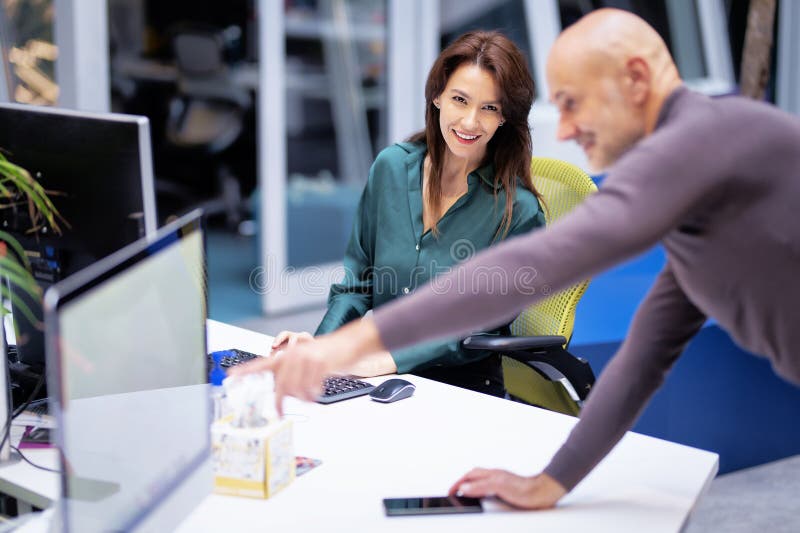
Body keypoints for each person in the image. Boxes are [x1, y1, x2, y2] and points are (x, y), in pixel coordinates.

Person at [232, 8, 800, 509]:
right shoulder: (702, 180)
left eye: (574, 104)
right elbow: (647, 352)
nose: (569, 128)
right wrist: (553, 481)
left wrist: (345, 346)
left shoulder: (698, 144)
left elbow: (533, 267)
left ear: (636, 79)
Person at [268, 31, 544, 395]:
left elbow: (481, 326)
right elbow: (357, 283)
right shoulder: (392, 168)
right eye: (460, 100)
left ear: (505, 117)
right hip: (376, 374)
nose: (470, 122)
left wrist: (390, 360)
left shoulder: (518, 212)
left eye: (489, 108)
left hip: (459, 388)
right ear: (437, 96)